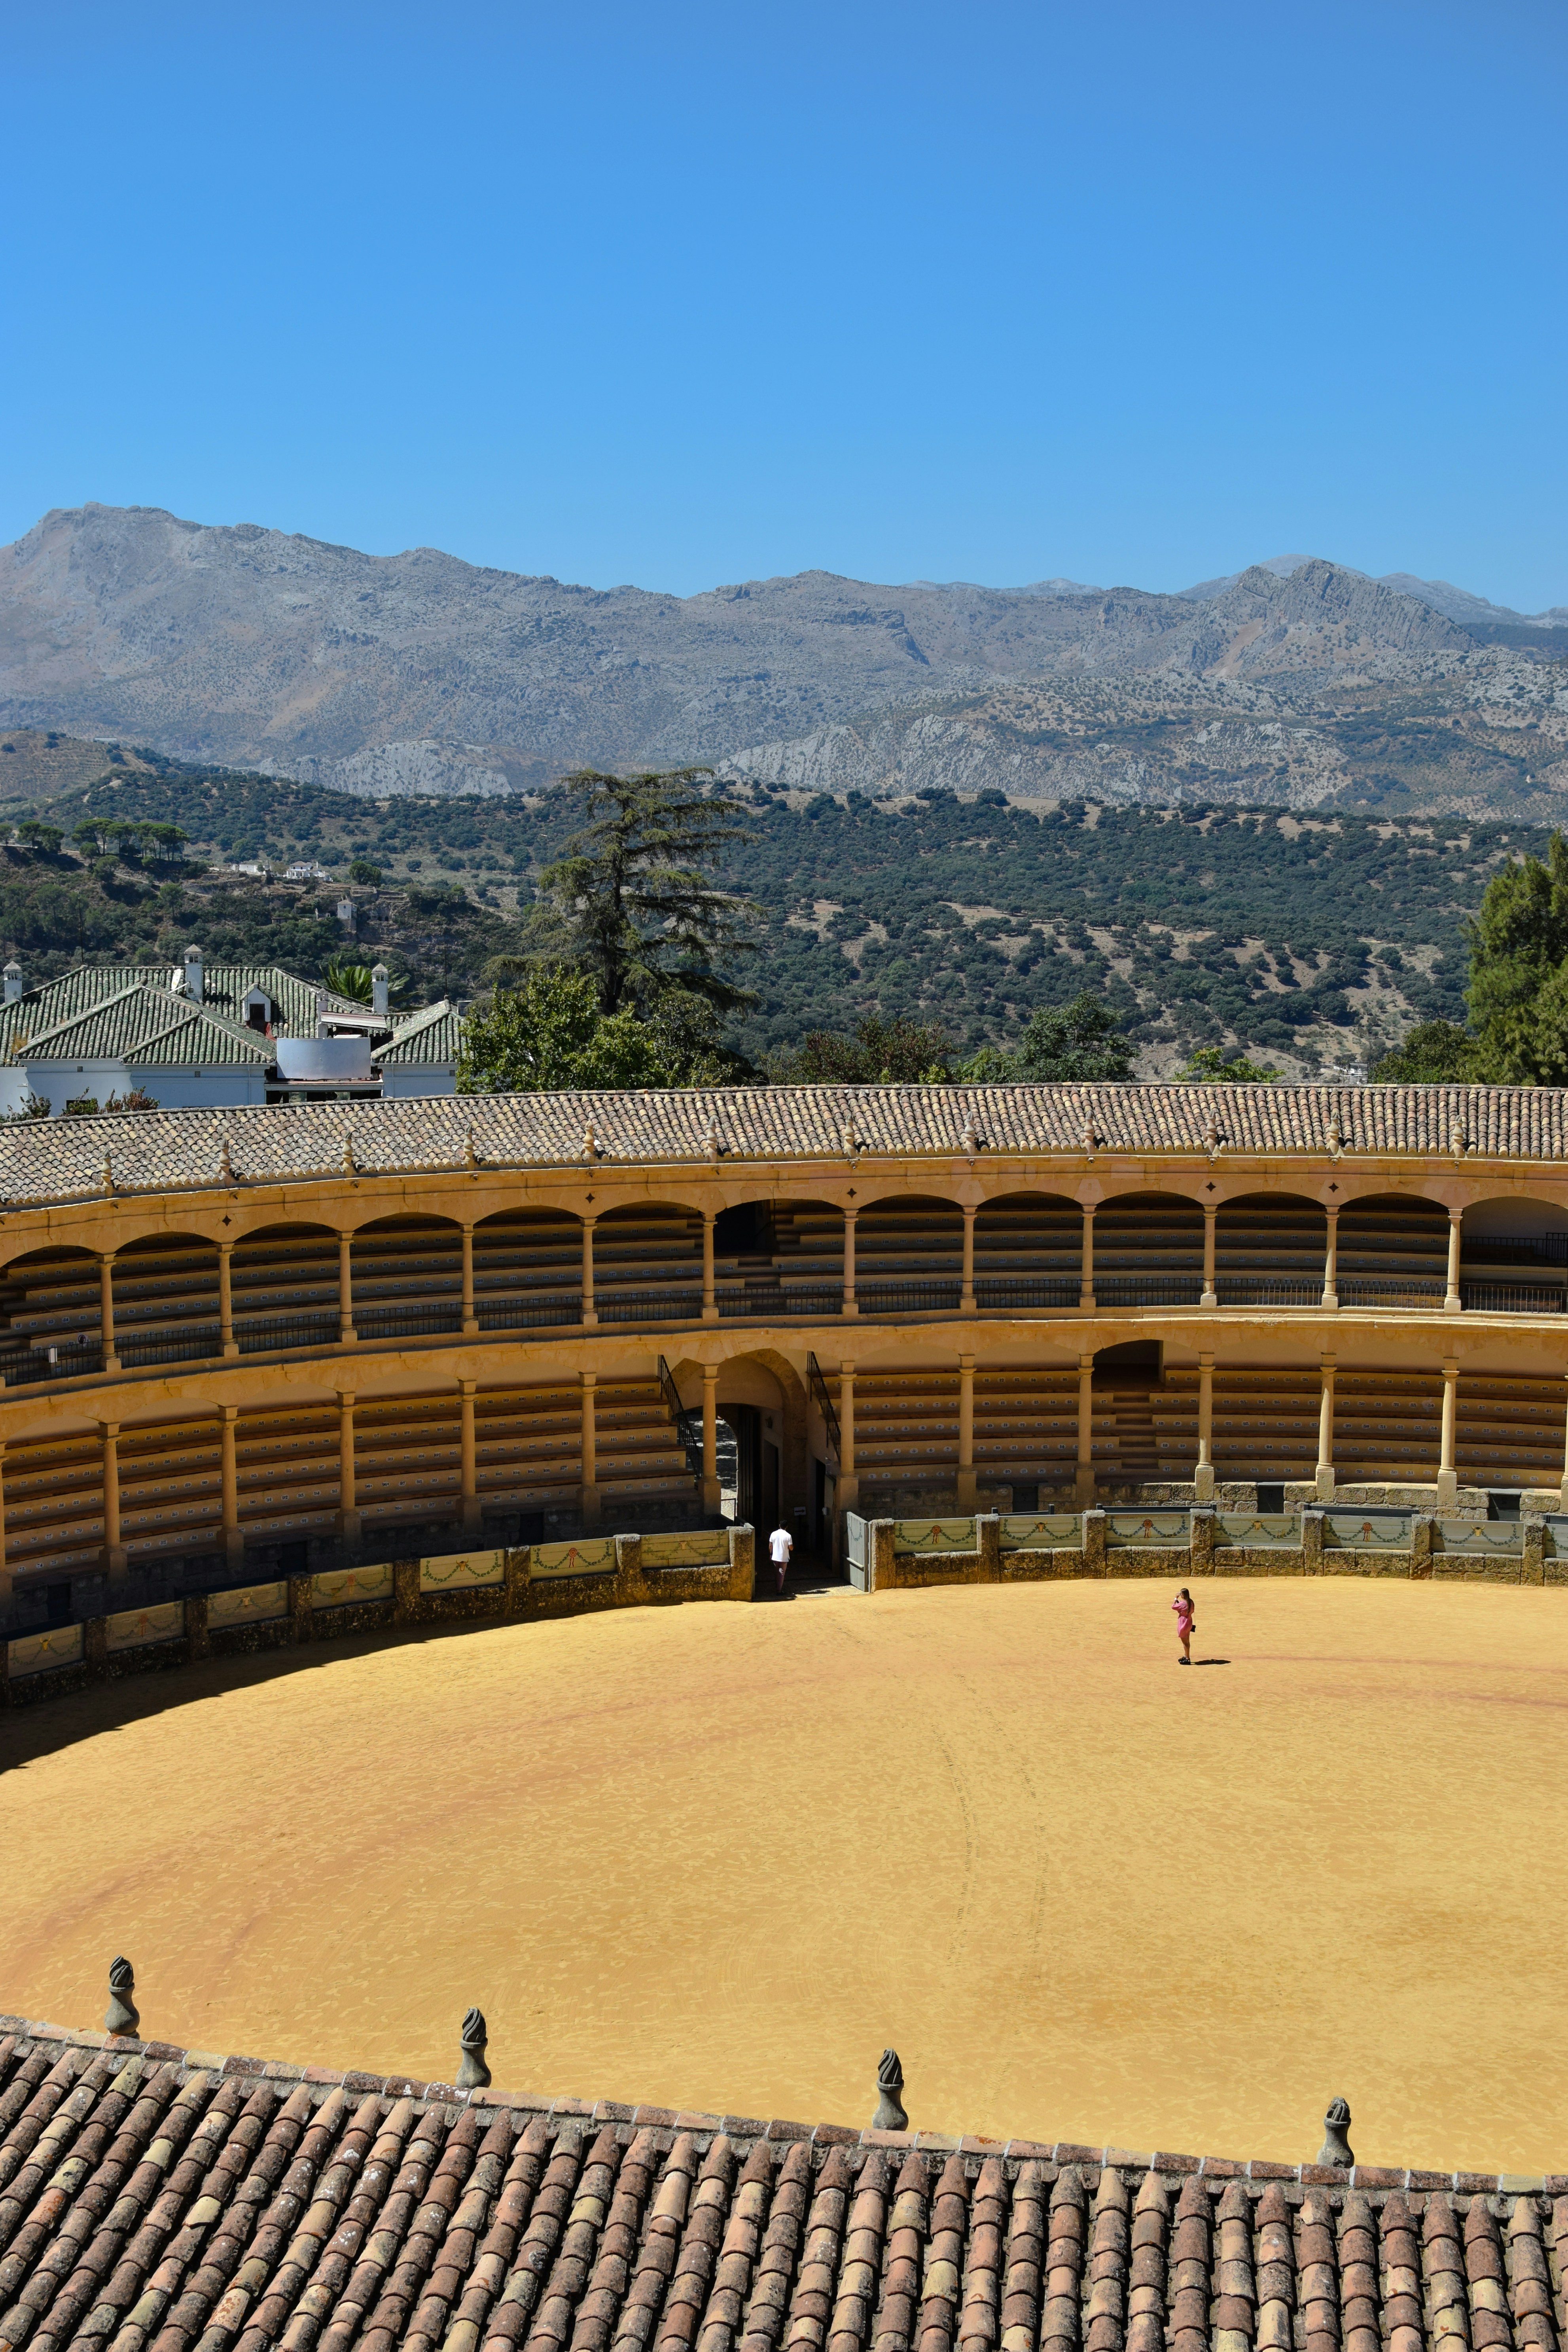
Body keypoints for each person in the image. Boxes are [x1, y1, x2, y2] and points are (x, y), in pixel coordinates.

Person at [769, 1521, 793, 1594]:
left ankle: (777, 1587)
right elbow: (791, 1548)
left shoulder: (773, 1534)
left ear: (780, 1525)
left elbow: (770, 1546)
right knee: (782, 1573)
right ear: (787, 1527)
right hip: (784, 1557)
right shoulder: (788, 1536)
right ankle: (779, 1590)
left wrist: (771, 1554)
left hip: (775, 1557)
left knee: (777, 1573)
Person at [1173, 1585, 1195, 1665]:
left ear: (1183, 1595)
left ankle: (1188, 1658)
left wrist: (1176, 1598)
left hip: (1183, 1623)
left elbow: (1173, 1607)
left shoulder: (1183, 1603)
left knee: (1185, 1642)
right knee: (1187, 1641)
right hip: (1189, 1622)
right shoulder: (1191, 1602)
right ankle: (1186, 1656)